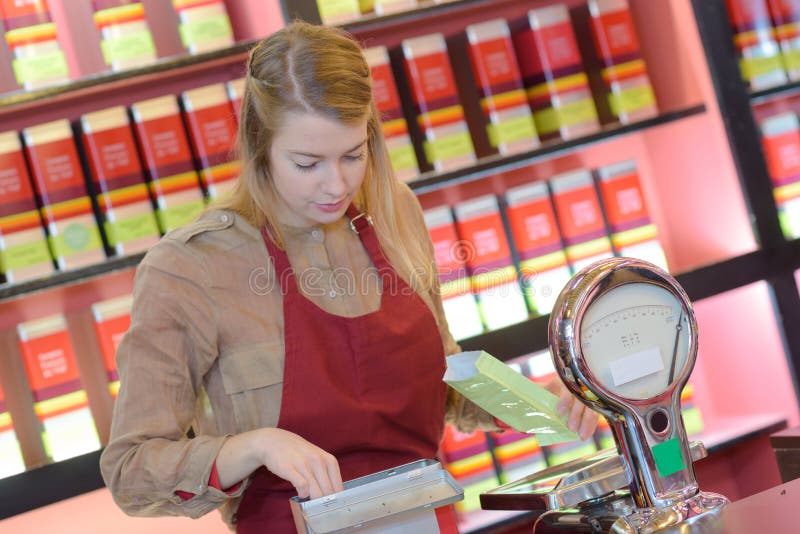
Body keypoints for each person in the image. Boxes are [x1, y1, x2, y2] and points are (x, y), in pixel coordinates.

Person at [99, 20, 598, 533]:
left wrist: (533, 405)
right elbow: (131, 472)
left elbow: (442, 374)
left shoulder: (394, 211)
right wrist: (253, 447)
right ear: (259, 145)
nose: (336, 185)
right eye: (307, 163)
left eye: (353, 155)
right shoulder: (190, 266)